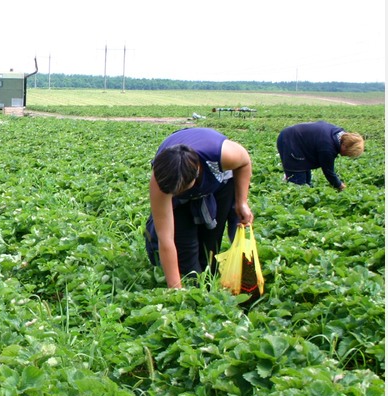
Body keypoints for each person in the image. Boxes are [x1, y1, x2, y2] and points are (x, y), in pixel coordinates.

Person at [144, 127, 254, 289]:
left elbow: (244, 161)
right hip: (179, 181)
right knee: (185, 251)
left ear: (195, 176)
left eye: (181, 189)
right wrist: (175, 289)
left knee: (211, 242)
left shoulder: (222, 155)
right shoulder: (162, 180)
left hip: (220, 184)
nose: (176, 192)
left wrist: (241, 202)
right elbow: (165, 238)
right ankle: (193, 283)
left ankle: (210, 277)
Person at [275, 120, 364, 190]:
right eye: (347, 153)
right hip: (289, 141)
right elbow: (328, 171)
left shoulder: (338, 134)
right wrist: (340, 186)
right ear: (345, 146)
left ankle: (289, 180)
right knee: (298, 184)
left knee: (307, 183)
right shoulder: (328, 146)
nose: (345, 155)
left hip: (297, 142)